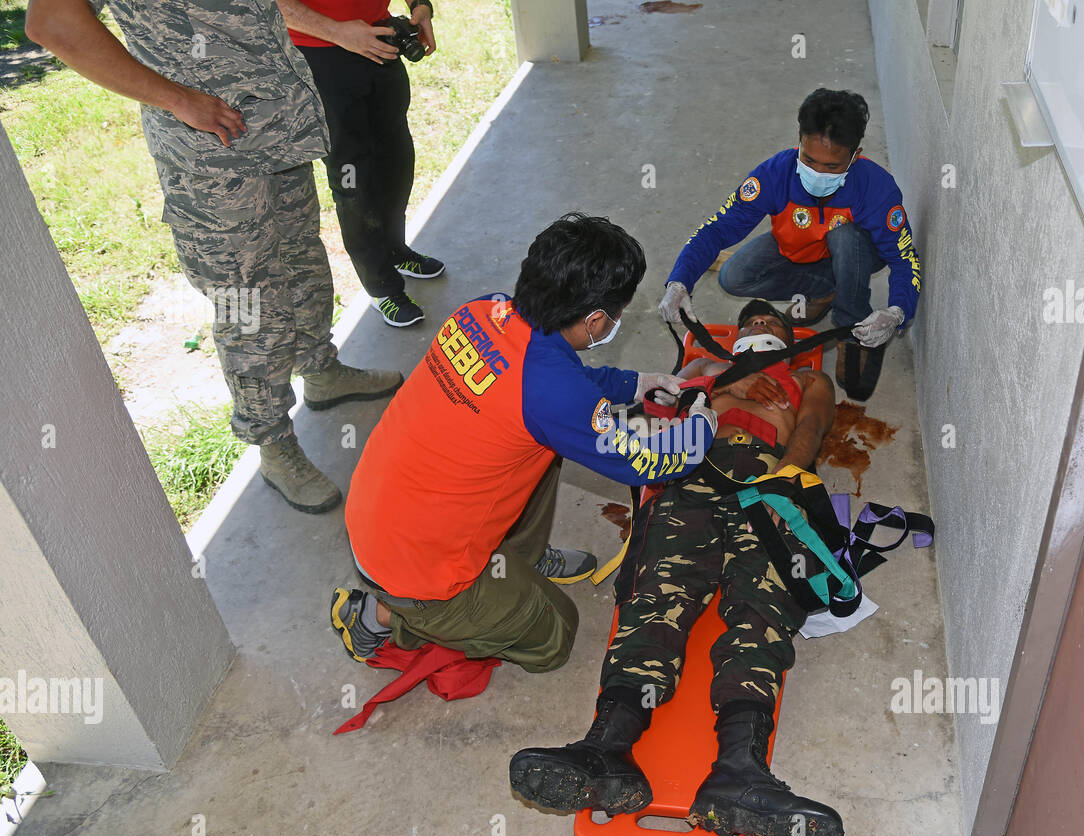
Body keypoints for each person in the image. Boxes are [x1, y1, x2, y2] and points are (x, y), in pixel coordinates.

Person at [25, 0, 405, 515]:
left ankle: (321, 369)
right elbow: (54, 24)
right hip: (211, 154)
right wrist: (176, 98)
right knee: (247, 300)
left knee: (302, 263)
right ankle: (272, 442)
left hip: (278, 127)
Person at [509, 299, 847, 836]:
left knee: (762, 607)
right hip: (691, 475)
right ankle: (607, 750)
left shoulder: (808, 377)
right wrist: (718, 387)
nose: (760, 329)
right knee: (655, 598)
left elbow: (809, 432)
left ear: (789, 340)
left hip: (767, 478)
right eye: (752, 324)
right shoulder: (706, 372)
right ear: (735, 339)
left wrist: (787, 485)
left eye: (772, 326)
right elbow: (656, 412)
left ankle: (740, 771)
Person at [330, 213, 719, 677]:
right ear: (596, 320)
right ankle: (383, 616)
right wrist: (702, 425)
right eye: (616, 314)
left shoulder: (482, 311)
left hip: (382, 517)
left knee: (540, 443)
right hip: (414, 572)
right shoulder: (549, 394)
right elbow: (648, 462)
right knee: (555, 635)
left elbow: (556, 380)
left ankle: (517, 561)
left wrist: (636, 385)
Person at [657, 88, 923, 402]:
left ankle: (849, 320)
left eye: (833, 167)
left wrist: (897, 313)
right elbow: (716, 231)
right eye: (809, 160)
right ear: (799, 140)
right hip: (798, 250)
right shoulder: (774, 176)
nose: (818, 173)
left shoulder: (876, 188)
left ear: (856, 155)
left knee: (845, 236)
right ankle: (825, 291)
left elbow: (904, 258)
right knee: (733, 275)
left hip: (855, 253)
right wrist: (679, 281)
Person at [277, 0, 443, 328]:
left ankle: (395, 250)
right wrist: (338, 32)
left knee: (396, 162)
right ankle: (381, 285)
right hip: (321, 56)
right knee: (352, 177)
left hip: (380, 43)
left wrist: (420, 6)